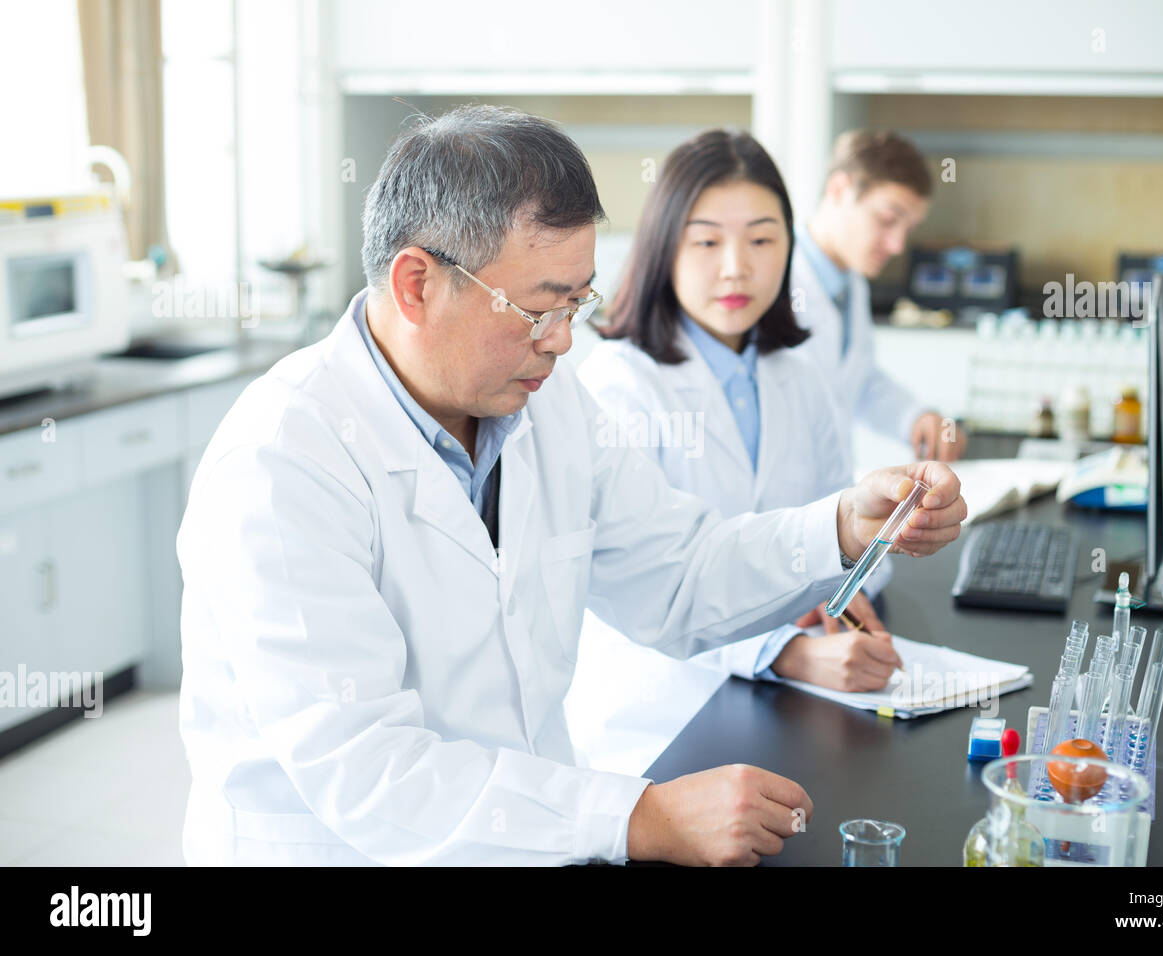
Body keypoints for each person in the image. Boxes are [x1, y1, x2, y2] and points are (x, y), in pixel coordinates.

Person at [176, 105, 965, 867]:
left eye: (577, 303)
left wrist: (843, 526)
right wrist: (637, 815)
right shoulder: (283, 462)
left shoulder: (545, 408)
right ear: (415, 284)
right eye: (537, 309)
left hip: (533, 833)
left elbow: (679, 572)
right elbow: (369, 770)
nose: (561, 342)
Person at [565, 129, 904, 777]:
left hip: (788, 711)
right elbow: (634, 590)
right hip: (659, 728)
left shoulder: (798, 376)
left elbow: (839, 524)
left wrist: (841, 592)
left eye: (761, 239)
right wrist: (782, 650)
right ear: (665, 247)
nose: (735, 267)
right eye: (707, 241)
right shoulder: (618, 386)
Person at [794, 129, 969, 463]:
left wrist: (916, 418)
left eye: (908, 228)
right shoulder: (774, 281)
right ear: (839, 190)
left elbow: (857, 382)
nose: (897, 245)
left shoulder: (852, 282)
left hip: (829, 499)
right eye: (888, 220)